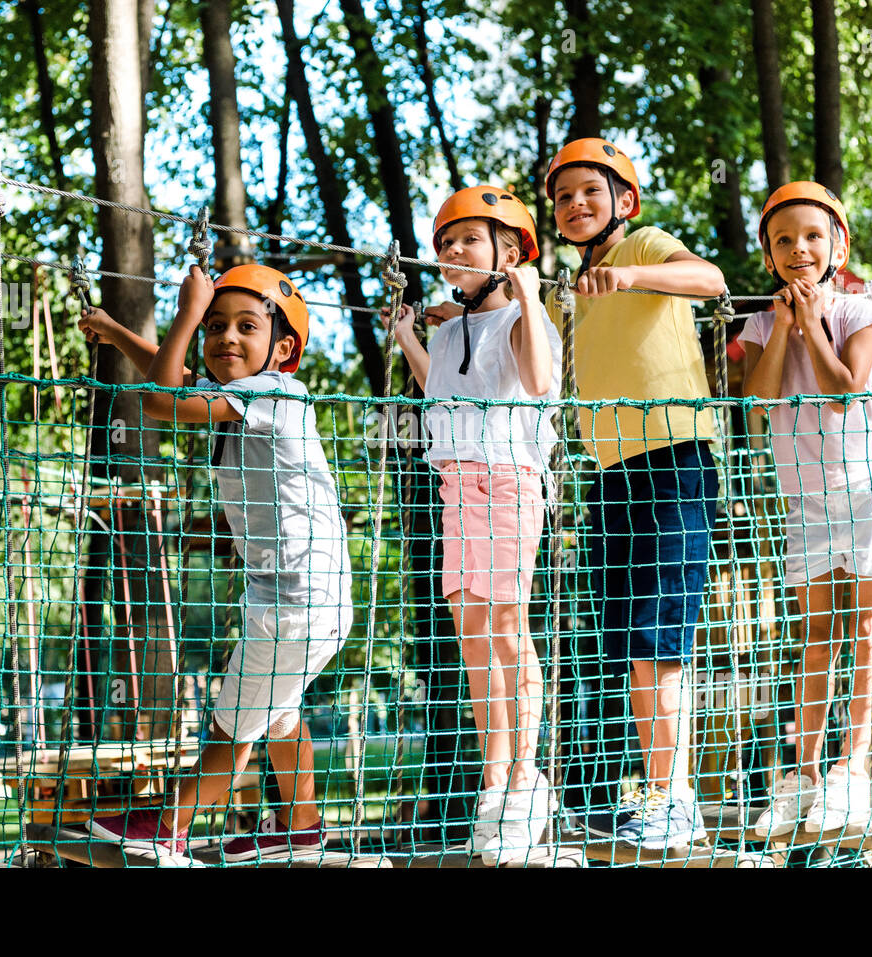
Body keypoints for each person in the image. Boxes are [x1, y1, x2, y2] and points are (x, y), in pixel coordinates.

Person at [78, 263, 353, 863]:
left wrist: (187, 311)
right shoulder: (249, 397)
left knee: (236, 723)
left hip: (294, 602)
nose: (226, 337)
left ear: (282, 350)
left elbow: (159, 398)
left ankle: (170, 825)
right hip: (311, 598)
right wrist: (117, 331)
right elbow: (169, 374)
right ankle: (301, 828)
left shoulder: (275, 391)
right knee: (277, 714)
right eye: (214, 326)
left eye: (245, 326)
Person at [545, 138, 725, 850]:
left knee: (659, 632)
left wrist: (630, 278)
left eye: (591, 191)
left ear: (625, 202)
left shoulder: (645, 246)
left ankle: (676, 796)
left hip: (674, 457)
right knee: (626, 640)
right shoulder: (570, 289)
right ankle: (654, 790)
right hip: (612, 472)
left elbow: (709, 278)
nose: (576, 204)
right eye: (563, 197)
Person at [388, 186, 561, 865]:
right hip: (455, 482)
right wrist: (407, 333)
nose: (451, 252)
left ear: (509, 251)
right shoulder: (447, 327)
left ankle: (527, 776)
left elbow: (541, 381)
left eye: (468, 241)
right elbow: (444, 390)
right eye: (444, 244)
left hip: (510, 481)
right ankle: (494, 778)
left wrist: (532, 294)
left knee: (508, 629)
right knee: (470, 633)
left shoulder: (524, 316)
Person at [740, 182, 872, 837]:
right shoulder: (761, 323)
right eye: (783, 239)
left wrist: (813, 322)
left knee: (868, 626)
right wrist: (786, 328)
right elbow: (754, 403)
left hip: (867, 491)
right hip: (807, 500)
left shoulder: (860, 310)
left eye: (812, 235)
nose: (798, 248)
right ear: (768, 256)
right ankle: (805, 774)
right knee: (817, 634)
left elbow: (845, 391)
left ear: (836, 244)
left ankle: (854, 767)